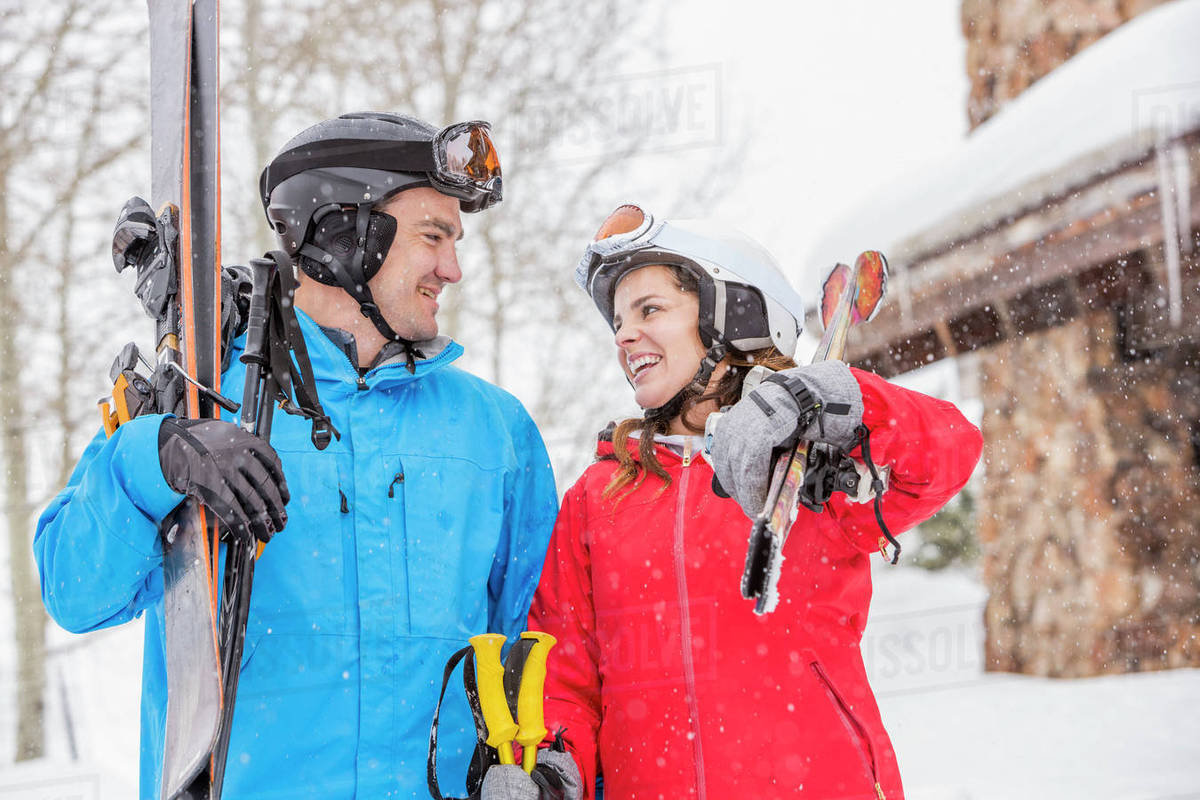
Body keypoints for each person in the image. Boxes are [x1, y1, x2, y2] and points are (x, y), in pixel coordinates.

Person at [34, 112, 559, 799]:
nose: (452, 269)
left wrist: (552, 772)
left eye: (455, 240)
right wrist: (153, 459)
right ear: (346, 232)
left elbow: (549, 647)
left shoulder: (493, 432)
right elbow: (75, 594)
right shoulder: (201, 397)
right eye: (434, 236)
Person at [527, 204, 983, 799]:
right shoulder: (599, 496)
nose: (624, 335)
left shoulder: (816, 462)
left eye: (650, 309)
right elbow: (565, 675)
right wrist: (553, 763)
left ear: (733, 313)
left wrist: (847, 405)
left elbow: (948, 452)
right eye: (619, 320)